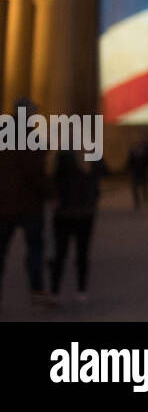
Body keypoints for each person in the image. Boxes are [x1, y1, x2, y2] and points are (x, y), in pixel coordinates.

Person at [0, 98, 52, 309]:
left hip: (3, 206)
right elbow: (35, 173)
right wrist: (51, 194)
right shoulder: (30, 137)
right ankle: (37, 292)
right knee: (35, 249)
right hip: (28, 205)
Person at [47, 149, 106, 302]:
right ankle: (81, 289)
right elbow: (103, 172)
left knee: (60, 252)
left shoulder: (58, 155)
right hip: (84, 211)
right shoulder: (91, 154)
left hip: (63, 211)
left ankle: (55, 290)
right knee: (82, 252)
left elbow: (50, 179)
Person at [126, 137, 148, 210]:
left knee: (144, 187)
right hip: (135, 172)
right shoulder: (133, 152)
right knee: (135, 188)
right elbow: (130, 161)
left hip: (143, 171)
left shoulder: (147, 151)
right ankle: (137, 202)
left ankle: (145, 200)